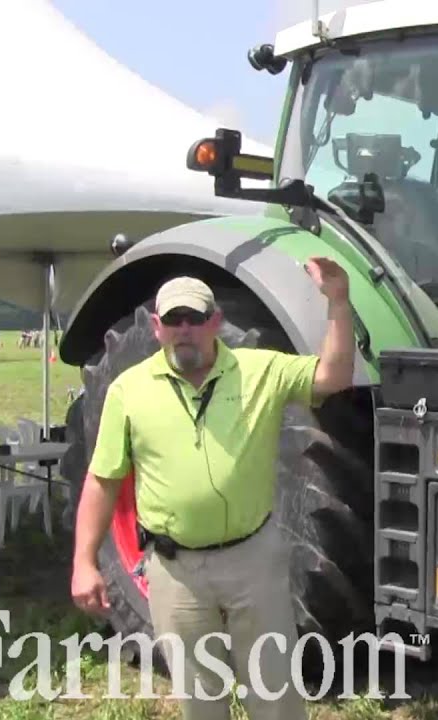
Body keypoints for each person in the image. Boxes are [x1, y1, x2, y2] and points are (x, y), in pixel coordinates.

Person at [71, 259, 355, 720]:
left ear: (215, 323)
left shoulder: (260, 370)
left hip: (253, 561)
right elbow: (103, 480)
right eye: (175, 320)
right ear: (158, 327)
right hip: (175, 571)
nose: (186, 330)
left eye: (196, 318)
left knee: (275, 698)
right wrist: (85, 562)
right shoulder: (129, 390)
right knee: (201, 702)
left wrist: (338, 303)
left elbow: (334, 376)